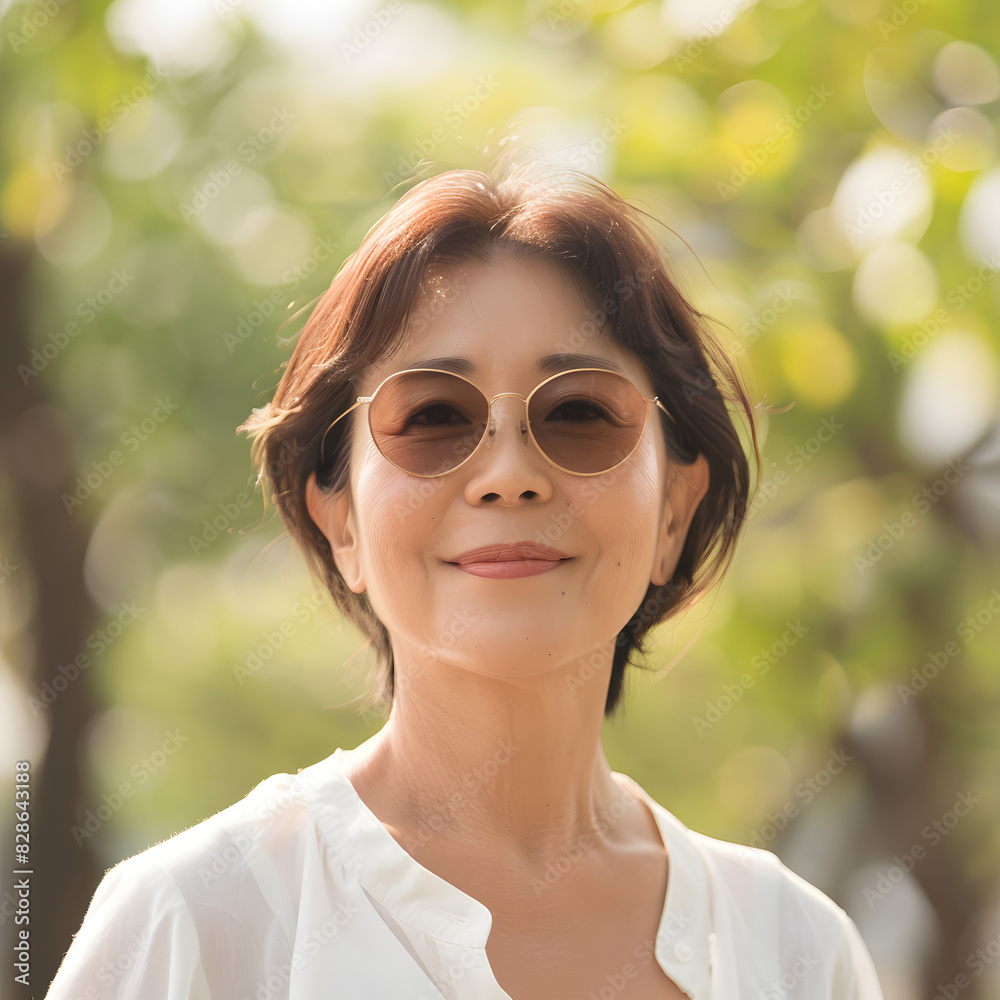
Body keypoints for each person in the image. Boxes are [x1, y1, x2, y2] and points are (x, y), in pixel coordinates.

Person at [46, 165, 884, 999]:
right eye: (435, 417)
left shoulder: (798, 953)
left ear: (674, 509)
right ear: (341, 521)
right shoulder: (196, 925)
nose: (509, 475)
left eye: (580, 414)